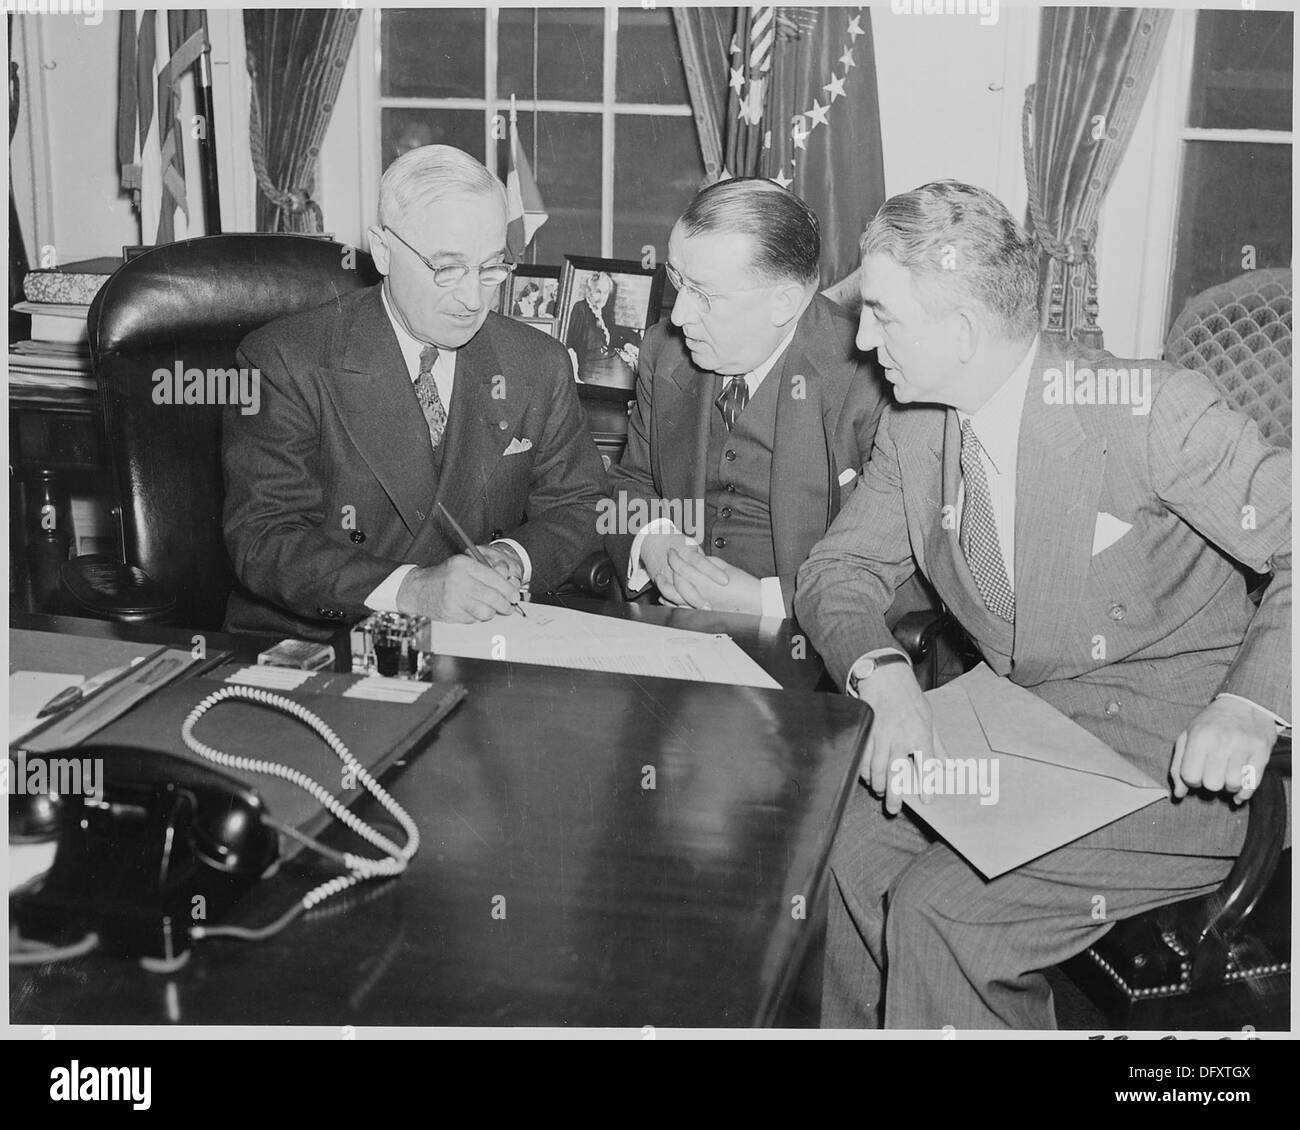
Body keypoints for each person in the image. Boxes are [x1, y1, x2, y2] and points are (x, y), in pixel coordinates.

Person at [794, 180, 1291, 1029]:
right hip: (1023, 741)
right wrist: (883, 679)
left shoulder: (1148, 411)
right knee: (839, 849)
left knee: (943, 913)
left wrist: (1250, 706)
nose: (864, 341)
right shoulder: (916, 428)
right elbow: (835, 572)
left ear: (962, 331)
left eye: (882, 314)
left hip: (1171, 762)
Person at [223, 144, 609, 639]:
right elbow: (265, 538)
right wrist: (412, 590)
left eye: (491, 268)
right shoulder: (284, 361)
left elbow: (581, 504)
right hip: (326, 641)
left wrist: (513, 557)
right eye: (446, 269)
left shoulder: (537, 363)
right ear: (383, 251)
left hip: (481, 639)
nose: (473, 299)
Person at [605, 176, 910, 621]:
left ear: (784, 302)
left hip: (806, 646)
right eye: (677, 280)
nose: (681, 315)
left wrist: (766, 603)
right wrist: (653, 540)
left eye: (705, 295)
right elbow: (627, 484)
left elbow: (901, 572)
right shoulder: (663, 351)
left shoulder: (875, 379)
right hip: (673, 630)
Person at [564, 272, 641, 385]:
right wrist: (575, 377)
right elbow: (570, 345)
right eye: (598, 292)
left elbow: (609, 337)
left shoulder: (604, 311)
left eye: (605, 293)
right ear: (589, 292)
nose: (603, 297)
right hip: (592, 369)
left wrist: (626, 345)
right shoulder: (580, 309)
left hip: (607, 363)